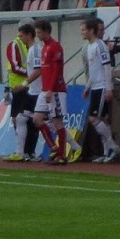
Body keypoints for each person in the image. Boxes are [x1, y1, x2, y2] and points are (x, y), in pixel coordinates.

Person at [29, 22, 69, 164]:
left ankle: (62, 155)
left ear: (47, 32)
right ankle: (54, 147)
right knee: (36, 119)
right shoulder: (44, 47)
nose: (38, 35)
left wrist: (51, 89)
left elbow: (57, 70)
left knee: (57, 121)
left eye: (39, 33)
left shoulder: (55, 46)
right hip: (44, 89)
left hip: (55, 90)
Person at [80, 18, 117, 162]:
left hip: (102, 87)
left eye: (83, 29)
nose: (82, 32)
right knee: (101, 119)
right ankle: (107, 151)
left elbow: (107, 67)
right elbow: (93, 70)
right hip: (95, 87)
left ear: (91, 30)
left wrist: (108, 87)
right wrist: (88, 87)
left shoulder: (100, 46)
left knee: (94, 118)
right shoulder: (89, 47)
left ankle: (112, 147)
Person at [3, 22, 39, 162]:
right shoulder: (15, 45)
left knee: (32, 120)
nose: (20, 36)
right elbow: (13, 67)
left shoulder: (34, 49)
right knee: (21, 119)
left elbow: (21, 68)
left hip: (27, 86)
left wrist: (29, 78)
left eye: (21, 34)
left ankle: (27, 152)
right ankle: (24, 151)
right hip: (20, 86)